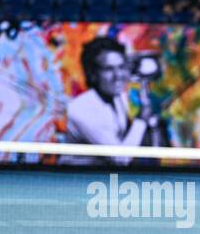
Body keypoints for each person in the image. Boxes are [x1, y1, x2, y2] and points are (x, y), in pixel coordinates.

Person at [62, 37, 159, 165]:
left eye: (121, 67)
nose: (118, 75)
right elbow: (120, 159)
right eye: (108, 69)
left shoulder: (119, 97)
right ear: (92, 74)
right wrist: (141, 120)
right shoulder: (81, 109)